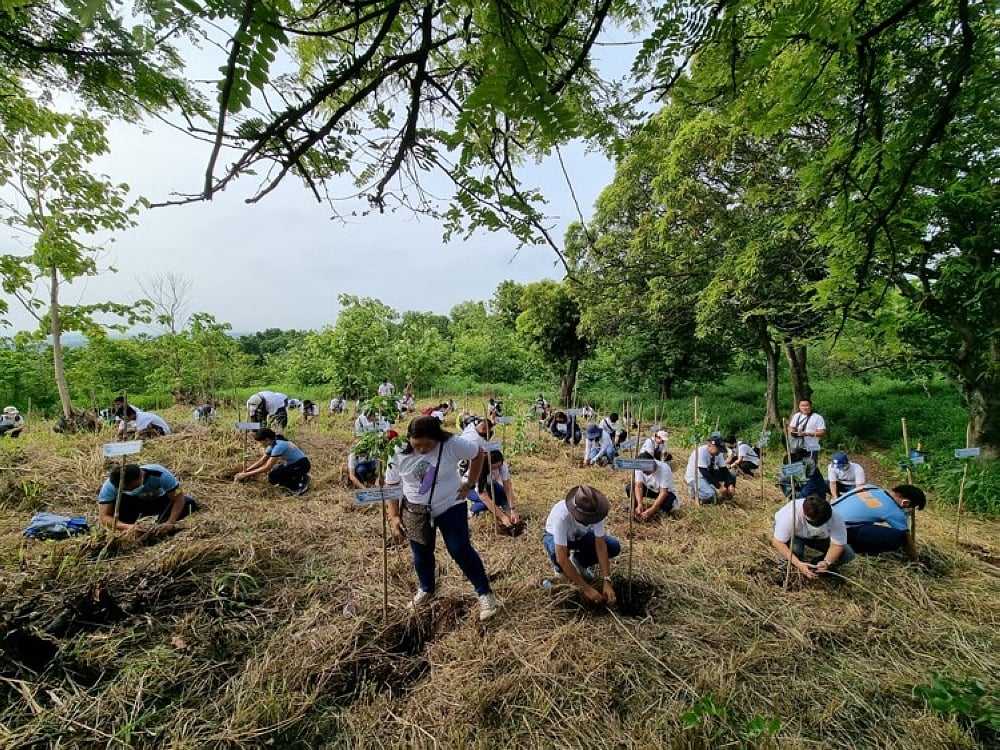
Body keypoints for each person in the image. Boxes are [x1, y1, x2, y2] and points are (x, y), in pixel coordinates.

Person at [385, 416, 498, 621]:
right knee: (421, 552)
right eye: (417, 444)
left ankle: (484, 593)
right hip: (415, 509)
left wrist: (470, 482)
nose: (422, 449)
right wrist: (393, 516)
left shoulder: (451, 444)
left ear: (438, 438)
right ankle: (426, 589)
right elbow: (392, 485)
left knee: (459, 548)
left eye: (428, 444)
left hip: (450, 504)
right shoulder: (397, 451)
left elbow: (477, 453)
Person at [542, 485, 620, 606]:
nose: (589, 520)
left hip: (581, 536)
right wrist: (586, 589)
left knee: (613, 546)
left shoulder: (596, 511)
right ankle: (560, 570)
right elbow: (561, 557)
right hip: (555, 537)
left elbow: (601, 546)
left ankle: (580, 561)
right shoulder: (561, 517)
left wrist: (607, 580)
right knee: (555, 552)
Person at [97, 463, 197, 535]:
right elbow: (104, 516)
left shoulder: (160, 474)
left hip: (157, 500)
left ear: (141, 475)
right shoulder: (110, 486)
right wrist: (126, 527)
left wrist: (170, 522)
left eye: (133, 487)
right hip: (130, 506)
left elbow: (178, 497)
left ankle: (161, 525)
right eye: (125, 489)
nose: (130, 490)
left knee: (188, 503)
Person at [771, 494, 855, 580]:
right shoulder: (791, 515)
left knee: (847, 554)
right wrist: (799, 564)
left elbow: (837, 545)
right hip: (795, 535)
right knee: (796, 550)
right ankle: (785, 570)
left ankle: (816, 567)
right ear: (805, 514)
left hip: (818, 537)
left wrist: (827, 562)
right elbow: (778, 542)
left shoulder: (835, 517)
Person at [832, 484, 926, 559]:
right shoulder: (894, 511)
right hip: (839, 529)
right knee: (898, 537)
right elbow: (906, 538)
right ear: (906, 502)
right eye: (910, 507)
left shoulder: (870, 487)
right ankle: (855, 549)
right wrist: (915, 559)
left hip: (827, 515)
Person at [235, 428, 311, 494]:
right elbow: (261, 461)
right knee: (274, 473)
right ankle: (296, 477)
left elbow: (267, 467)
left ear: (267, 440)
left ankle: (300, 483)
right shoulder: (273, 444)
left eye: (260, 442)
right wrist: (245, 471)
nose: (260, 444)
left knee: (274, 476)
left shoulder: (279, 446)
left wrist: (247, 475)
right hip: (292, 464)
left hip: (302, 465)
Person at [467, 449, 521, 530]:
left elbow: (508, 487)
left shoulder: (502, 465)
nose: (496, 469)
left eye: (498, 467)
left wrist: (512, 510)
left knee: (503, 495)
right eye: (493, 467)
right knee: (486, 503)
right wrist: (502, 516)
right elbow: (484, 496)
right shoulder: (479, 469)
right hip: (469, 488)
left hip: (490, 484)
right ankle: (472, 510)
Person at [629, 452, 678, 520]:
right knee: (630, 488)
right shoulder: (639, 466)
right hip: (650, 489)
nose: (643, 472)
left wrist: (652, 509)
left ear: (653, 463)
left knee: (667, 504)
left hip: (664, 492)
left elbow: (663, 493)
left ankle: (657, 513)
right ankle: (638, 509)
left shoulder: (664, 469)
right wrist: (640, 503)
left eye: (646, 469)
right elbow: (639, 487)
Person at [684, 438, 734, 503]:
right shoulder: (700, 452)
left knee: (732, 475)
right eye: (717, 449)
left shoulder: (718, 453)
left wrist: (730, 484)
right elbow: (704, 472)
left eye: (720, 450)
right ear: (710, 445)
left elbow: (724, 469)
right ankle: (695, 493)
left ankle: (726, 496)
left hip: (709, 473)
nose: (719, 452)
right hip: (696, 476)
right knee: (711, 495)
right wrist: (719, 486)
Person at [787, 399, 826, 463]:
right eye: (802, 406)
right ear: (799, 406)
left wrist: (807, 434)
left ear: (810, 406)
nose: (804, 407)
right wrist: (792, 432)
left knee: (811, 467)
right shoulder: (796, 416)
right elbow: (791, 427)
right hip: (797, 447)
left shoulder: (818, 417)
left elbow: (822, 433)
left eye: (806, 405)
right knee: (797, 466)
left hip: (812, 447)